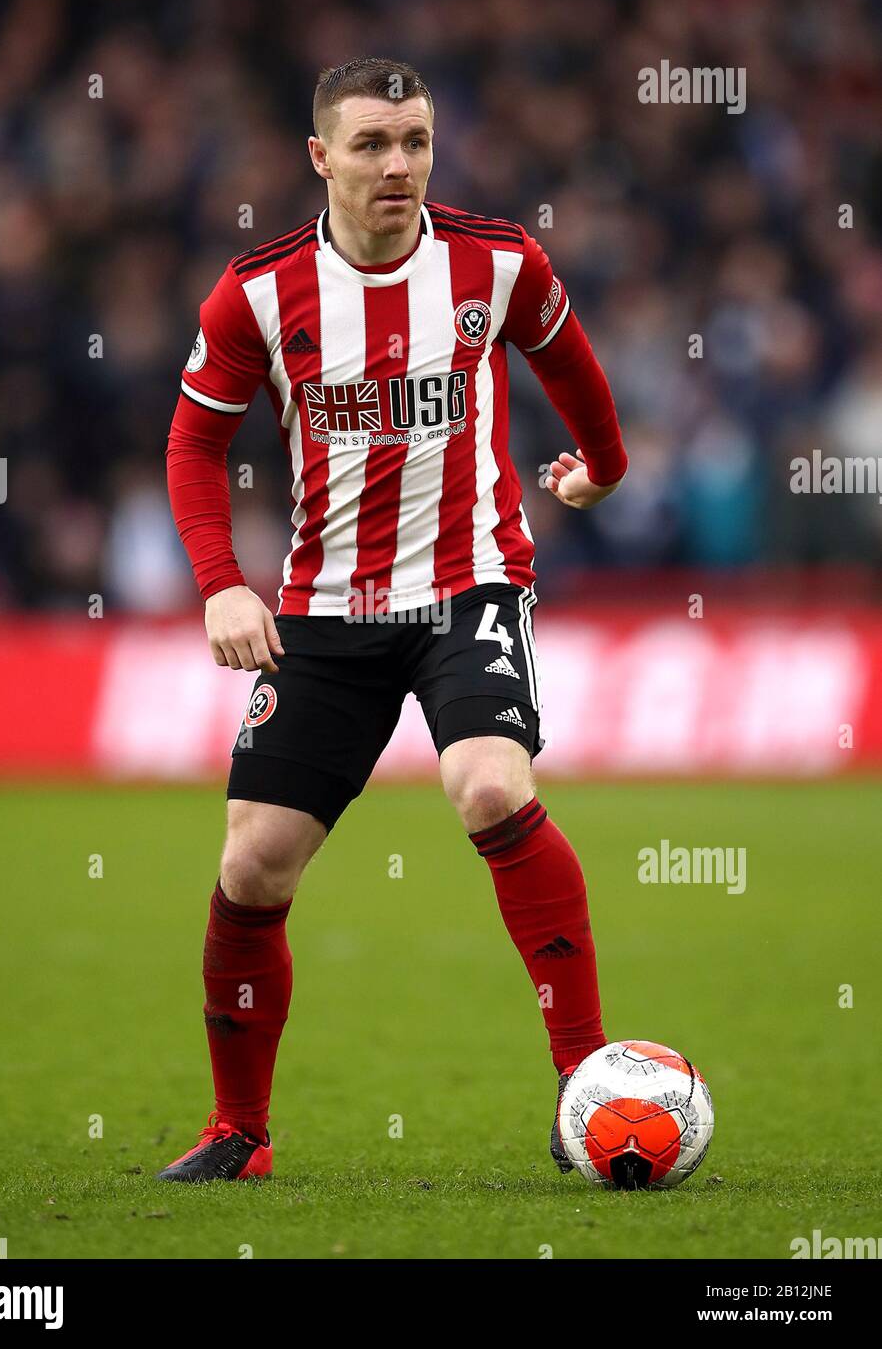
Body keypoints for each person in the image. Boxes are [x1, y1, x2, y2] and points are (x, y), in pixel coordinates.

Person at [159, 57, 628, 1182]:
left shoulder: (498, 261)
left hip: (466, 585)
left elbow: (575, 370)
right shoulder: (256, 294)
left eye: (414, 141)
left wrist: (602, 469)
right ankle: (241, 1131)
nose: (398, 166)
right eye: (371, 145)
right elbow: (193, 444)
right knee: (254, 864)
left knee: (489, 786)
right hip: (323, 608)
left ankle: (584, 1083)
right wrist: (223, 580)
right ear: (320, 158)